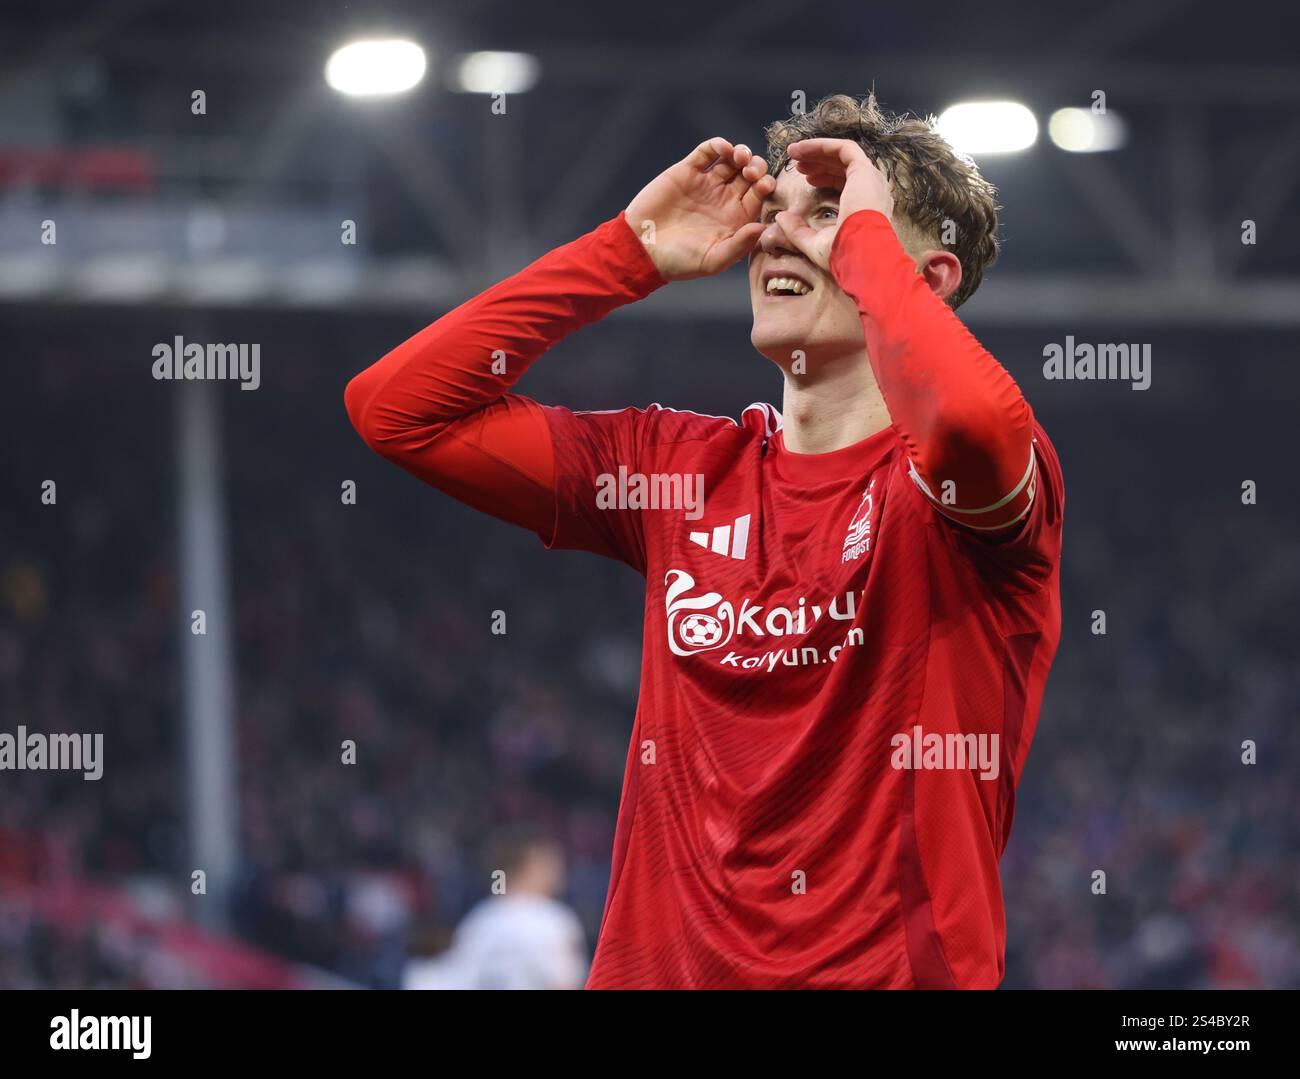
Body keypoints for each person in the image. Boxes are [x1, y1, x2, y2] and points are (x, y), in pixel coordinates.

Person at [347, 93, 1064, 988]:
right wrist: (624, 252)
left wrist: (870, 251)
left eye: (828, 216)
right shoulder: (677, 471)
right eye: (773, 215)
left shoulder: (962, 490)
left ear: (928, 274)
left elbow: (961, 423)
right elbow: (397, 413)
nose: (774, 238)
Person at [404, 835, 586, 991]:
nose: (560, 873)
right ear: (530, 867)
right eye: (551, 865)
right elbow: (564, 984)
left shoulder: (481, 920)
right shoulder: (553, 919)